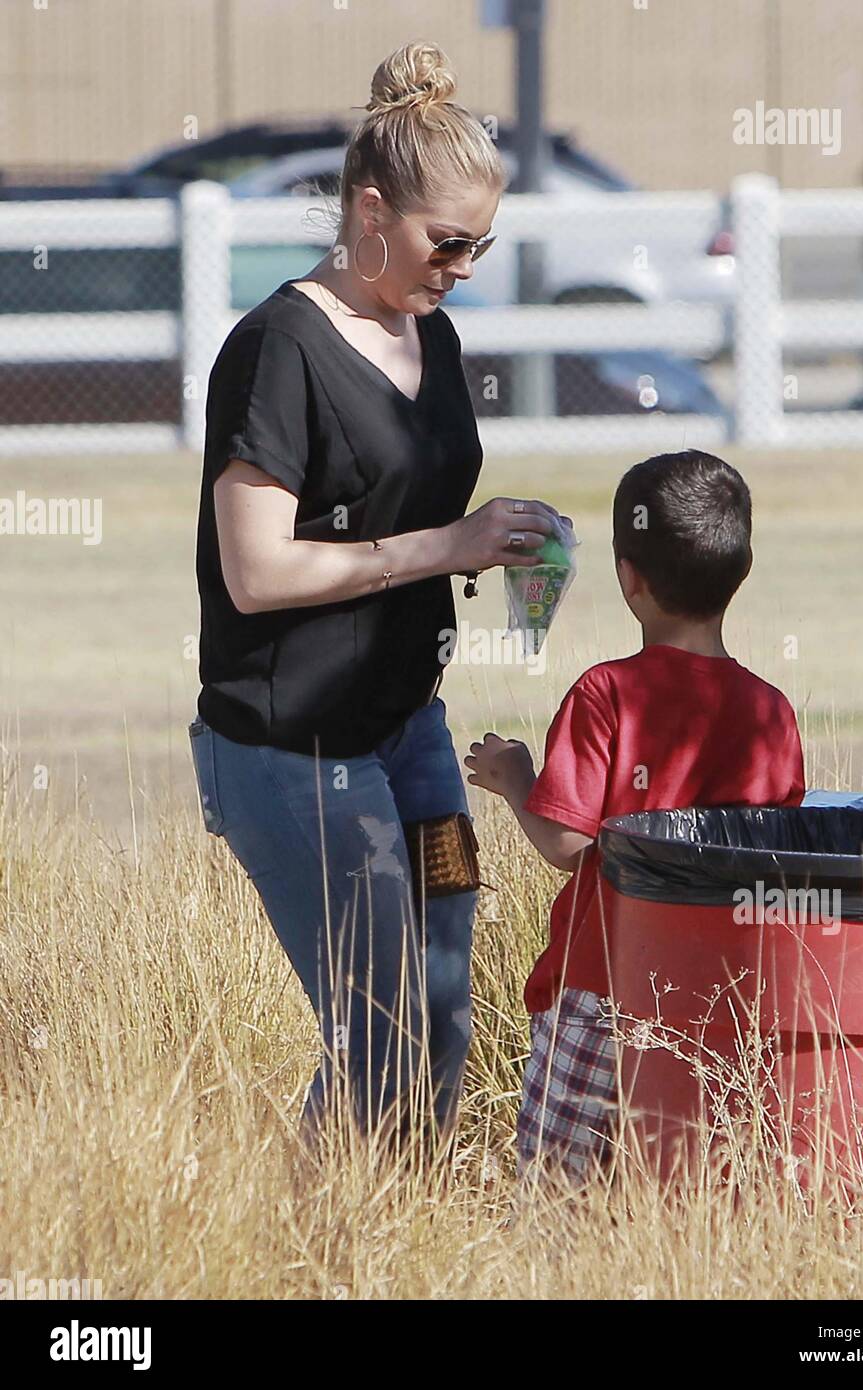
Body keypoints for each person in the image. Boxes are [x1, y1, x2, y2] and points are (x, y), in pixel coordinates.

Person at [188, 40, 566, 1160]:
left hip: (414, 744)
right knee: (382, 1024)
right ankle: (322, 1247)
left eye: (481, 245)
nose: (464, 266)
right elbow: (257, 575)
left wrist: (499, 540)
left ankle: (407, 1230)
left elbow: (404, 503)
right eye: (448, 241)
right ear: (369, 211)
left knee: (446, 986)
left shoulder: (431, 334)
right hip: (297, 757)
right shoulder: (276, 352)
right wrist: (445, 540)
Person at [463, 450, 806, 1188]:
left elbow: (564, 839)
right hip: (722, 1001)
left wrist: (514, 776)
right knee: (686, 1193)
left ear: (629, 579)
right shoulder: (771, 712)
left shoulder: (607, 694)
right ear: (736, 572)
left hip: (599, 991)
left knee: (560, 1201)